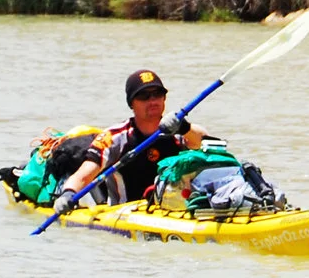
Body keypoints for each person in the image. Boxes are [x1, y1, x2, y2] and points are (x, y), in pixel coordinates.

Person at [50, 69, 204, 210]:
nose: (152, 101)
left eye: (157, 94)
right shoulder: (114, 138)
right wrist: (68, 194)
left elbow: (204, 144)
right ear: (131, 103)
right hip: (125, 212)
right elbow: (84, 174)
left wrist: (184, 127)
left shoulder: (179, 132)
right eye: (144, 96)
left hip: (169, 210)